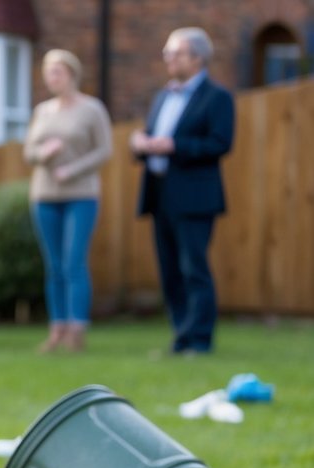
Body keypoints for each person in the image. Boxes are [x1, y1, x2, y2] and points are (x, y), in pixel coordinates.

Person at [130, 27, 234, 355]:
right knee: (170, 271)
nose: (168, 60)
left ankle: (199, 340)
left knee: (193, 270)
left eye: (175, 54)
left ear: (197, 58)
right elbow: (153, 135)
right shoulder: (164, 96)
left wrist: (174, 146)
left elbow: (220, 143)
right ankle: (181, 336)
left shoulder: (217, 98)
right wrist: (140, 144)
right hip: (160, 195)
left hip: (194, 198)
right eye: (167, 54)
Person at [23, 49, 113, 353]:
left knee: (74, 262)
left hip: (81, 195)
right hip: (44, 196)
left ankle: (77, 330)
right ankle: (57, 329)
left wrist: (72, 169)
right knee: (54, 265)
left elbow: (104, 150)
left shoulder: (92, 109)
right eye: (48, 73)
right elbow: (28, 152)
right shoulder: (42, 111)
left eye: (57, 72)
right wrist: (43, 154)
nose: (52, 78)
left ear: (72, 74)